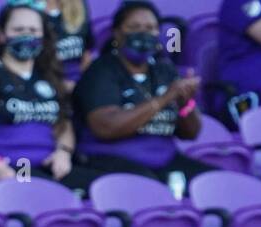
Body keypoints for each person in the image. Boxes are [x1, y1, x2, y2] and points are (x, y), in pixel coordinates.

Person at [0, 0, 101, 199]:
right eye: (18, 29)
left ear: (43, 37)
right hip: (16, 165)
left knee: (101, 189)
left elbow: (63, 125)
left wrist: (63, 152)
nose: (27, 35)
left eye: (33, 31)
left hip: (49, 166)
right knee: (46, 194)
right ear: (1, 35)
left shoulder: (49, 79)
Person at [71, 1, 214, 184]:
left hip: (164, 159)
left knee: (214, 182)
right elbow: (106, 127)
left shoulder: (165, 71)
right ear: (117, 33)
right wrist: (163, 99)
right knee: (149, 185)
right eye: (134, 27)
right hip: (112, 160)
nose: (143, 33)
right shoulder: (101, 72)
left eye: (151, 28)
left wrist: (186, 103)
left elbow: (190, 134)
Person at [46, 0, 92, 87]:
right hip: (49, 79)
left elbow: (88, 47)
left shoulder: (79, 4)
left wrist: (81, 79)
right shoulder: (30, 7)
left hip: (79, 78)